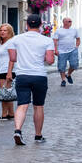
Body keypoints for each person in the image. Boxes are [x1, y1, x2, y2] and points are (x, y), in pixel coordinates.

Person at [5, 13, 56, 145]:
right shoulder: (47, 40)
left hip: (22, 75)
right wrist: (40, 57)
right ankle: (38, 136)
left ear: (26, 25)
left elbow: (13, 58)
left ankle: (17, 130)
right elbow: (50, 60)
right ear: (40, 25)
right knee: (38, 106)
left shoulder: (15, 39)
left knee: (22, 105)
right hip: (39, 76)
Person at [0, 23, 16, 119]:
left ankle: (4, 114)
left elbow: (12, 58)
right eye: (1, 30)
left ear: (10, 32)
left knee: (3, 93)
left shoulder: (11, 43)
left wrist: (9, 72)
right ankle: (11, 114)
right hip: (0, 70)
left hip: (7, 71)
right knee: (7, 93)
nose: (2, 32)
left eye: (5, 30)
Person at [53, 16, 81, 86]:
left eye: (71, 21)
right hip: (61, 51)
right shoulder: (59, 31)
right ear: (64, 22)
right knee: (62, 66)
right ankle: (63, 80)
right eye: (69, 21)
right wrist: (56, 50)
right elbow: (55, 41)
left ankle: (68, 75)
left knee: (74, 65)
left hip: (72, 50)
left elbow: (78, 39)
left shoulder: (74, 30)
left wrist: (77, 46)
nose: (71, 23)